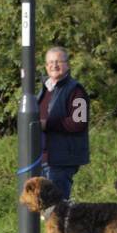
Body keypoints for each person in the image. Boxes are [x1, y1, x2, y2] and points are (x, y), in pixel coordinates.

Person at [36, 46, 89, 201]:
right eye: (50, 62)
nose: (54, 65)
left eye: (59, 61)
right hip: (43, 158)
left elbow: (79, 122)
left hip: (62, 159)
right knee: (44, 210)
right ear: (46, 66)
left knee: (56, 209)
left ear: (67, 65)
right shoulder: (44, 90)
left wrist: (47, 124)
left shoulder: (76, 90)